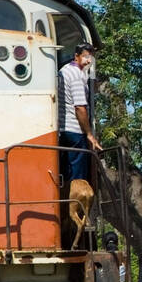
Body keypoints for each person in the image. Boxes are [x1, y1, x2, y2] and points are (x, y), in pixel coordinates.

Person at [57, 43, 102, 184]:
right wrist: (89, 134)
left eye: (91, 58)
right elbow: (80, 107)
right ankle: (76, 204)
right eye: (85, 57)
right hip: (75, 130)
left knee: (67, 172)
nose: (88, 61)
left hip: (63, 128)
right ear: (76, 56)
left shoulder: (65, 70)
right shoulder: (77, 76)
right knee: (79, 177)